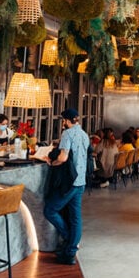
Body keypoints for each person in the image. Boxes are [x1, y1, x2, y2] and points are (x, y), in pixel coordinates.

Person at [43, 108, 89, 266]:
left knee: (50, 210)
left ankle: (70, 240)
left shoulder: (67, 134)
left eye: (63, 120)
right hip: (81, 181)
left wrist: (51, 162)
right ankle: (70, 251)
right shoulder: (84, 134)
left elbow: (63, 157)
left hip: (69, 182)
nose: (63, 123)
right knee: (76, 217)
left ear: (67, 120)